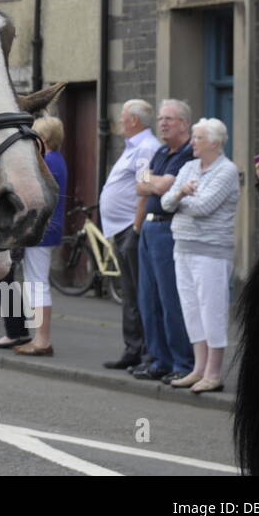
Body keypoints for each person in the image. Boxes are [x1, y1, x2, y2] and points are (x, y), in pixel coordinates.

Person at [161, 118, 239, 394]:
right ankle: (198, 369)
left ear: (215, 143)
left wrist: (180, 198)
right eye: (194, 137)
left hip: (211, 251)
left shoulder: (227, 170)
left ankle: (214, 373)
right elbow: (165, 202)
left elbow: (205, 206)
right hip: (183, 246)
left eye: (198, 138)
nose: (192, 142)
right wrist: (181, 193)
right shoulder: (189, 167)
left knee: (211, 310)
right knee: (191, 309)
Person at [130, 99, 195, 383]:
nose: (163, 123)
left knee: (171, 299)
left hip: (169, 230)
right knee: (148, 299)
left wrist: (153, 181)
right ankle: (158, 361)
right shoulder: (160, 151)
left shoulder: (187, 153)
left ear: (184, 124)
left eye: (169, 119)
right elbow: (140, 184)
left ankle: (182, 362)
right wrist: (154, 182)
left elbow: (165, 186)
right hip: (149, 228)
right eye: (160, 119)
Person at [100, 99, 159, 370]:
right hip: (122, 228)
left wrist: (136, 228)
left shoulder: (145, 148)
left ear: (134, 120)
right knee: (130, 293)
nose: (120, 121)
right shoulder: (134, 147)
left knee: (136, 293)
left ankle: (142, 352)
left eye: (124, 116)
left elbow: (144, 190)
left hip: (130, 228)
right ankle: (133, 349)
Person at [14, 115, 67, 356]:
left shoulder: (48, 161)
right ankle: (39, 338)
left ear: (43, 138)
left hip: (42, 230)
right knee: (35, 283)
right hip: (47, 229)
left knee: (37, 284)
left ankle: (42, 340)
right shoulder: (56, 160)